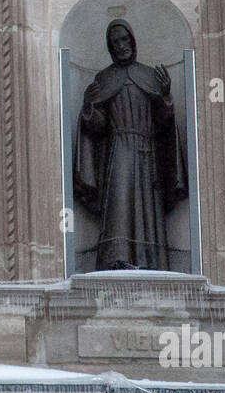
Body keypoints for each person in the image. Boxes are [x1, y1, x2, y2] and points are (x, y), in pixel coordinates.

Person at [73, 19, 188, 271]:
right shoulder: (104, 78)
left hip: (148, 151)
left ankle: (151, 260)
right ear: (109, 47)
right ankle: (117, 258)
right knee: (120, 203)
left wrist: (165, 96)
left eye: (124, 39)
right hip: (118, 152)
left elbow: (164, 124)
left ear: (133, 41)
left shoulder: (150, 76)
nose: (121, 46)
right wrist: (89, 106)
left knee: (148, 206)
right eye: (115, 42)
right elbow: (98, 128)